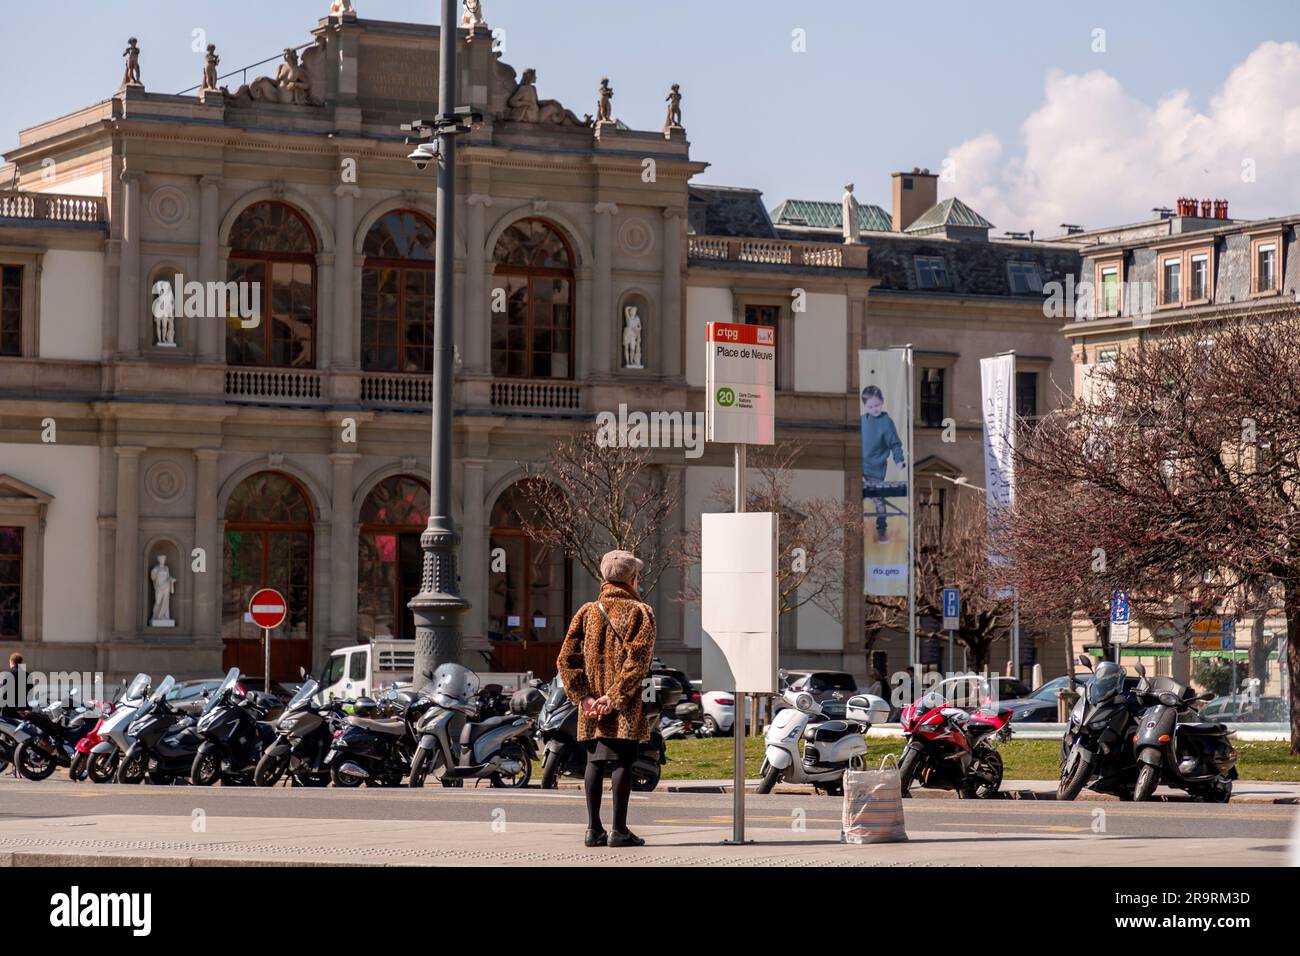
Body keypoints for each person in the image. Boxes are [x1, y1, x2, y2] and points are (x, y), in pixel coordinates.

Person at [556, 550, 656, 848]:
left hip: (591, 709)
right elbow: (637, 662)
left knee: (595, 762)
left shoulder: (587, 611)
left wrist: (585, 698)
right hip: (623, 706)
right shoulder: (640, 612)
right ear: (633, 578)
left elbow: (565, 659)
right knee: (623, 760)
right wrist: (614, 698)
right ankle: (619, 830)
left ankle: (593, 829)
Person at [860, 384, 906, 543]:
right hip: (859, 465)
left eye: (877, 405)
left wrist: (899, 460)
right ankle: (853, 526)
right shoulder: (862, 421)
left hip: (875, 469)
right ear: (865, 406)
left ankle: (882, 529)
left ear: (883, 402)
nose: (874, 409)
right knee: (853, 493)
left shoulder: (886, 422)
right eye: (870, 406)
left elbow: (895, 443)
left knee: (878, 499)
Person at [2, 652, 31, 720]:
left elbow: (4, 694)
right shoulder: (27, 675)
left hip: (9, 711)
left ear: (11, 661)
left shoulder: (9, 674)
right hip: (22, 712)